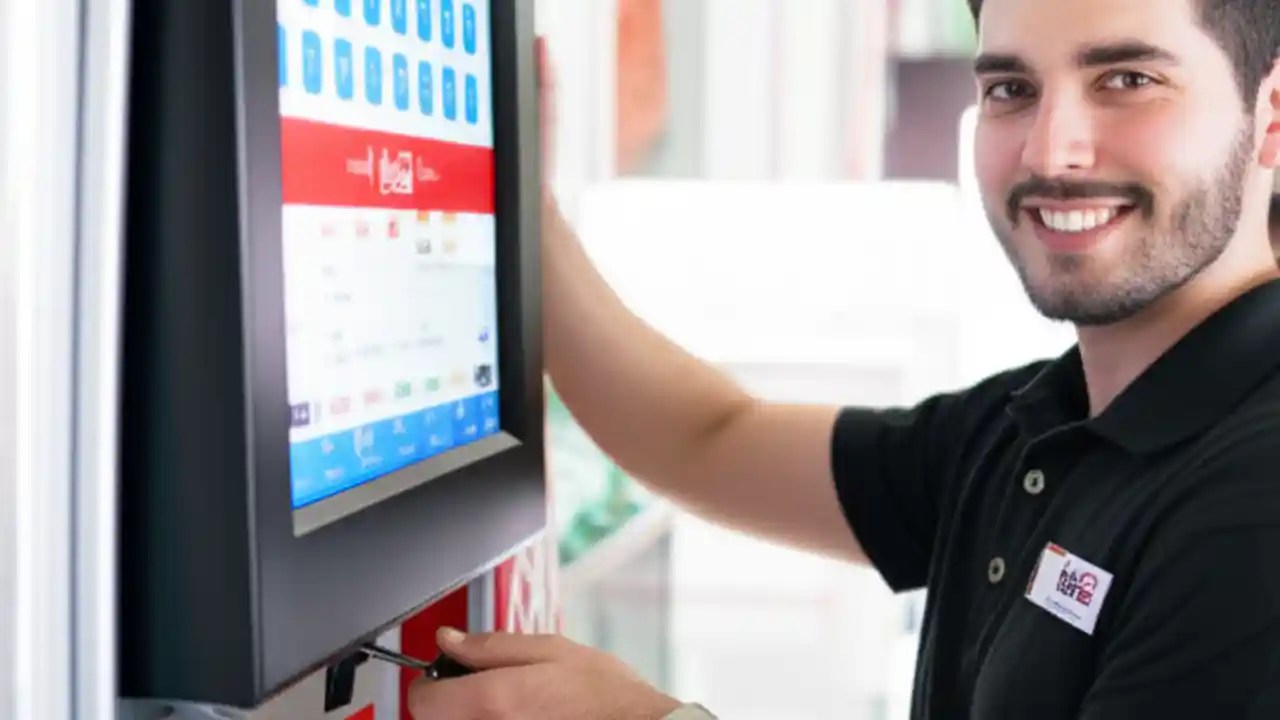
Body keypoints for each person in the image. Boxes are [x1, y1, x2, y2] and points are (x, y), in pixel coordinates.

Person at [409, 0, 1280, 717]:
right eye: (1012, 89)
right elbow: (710, 438)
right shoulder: (1048, 424)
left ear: (1270, 118)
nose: (1052, 151)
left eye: (1127, 80)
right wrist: (521, 204)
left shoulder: (1253, 498)